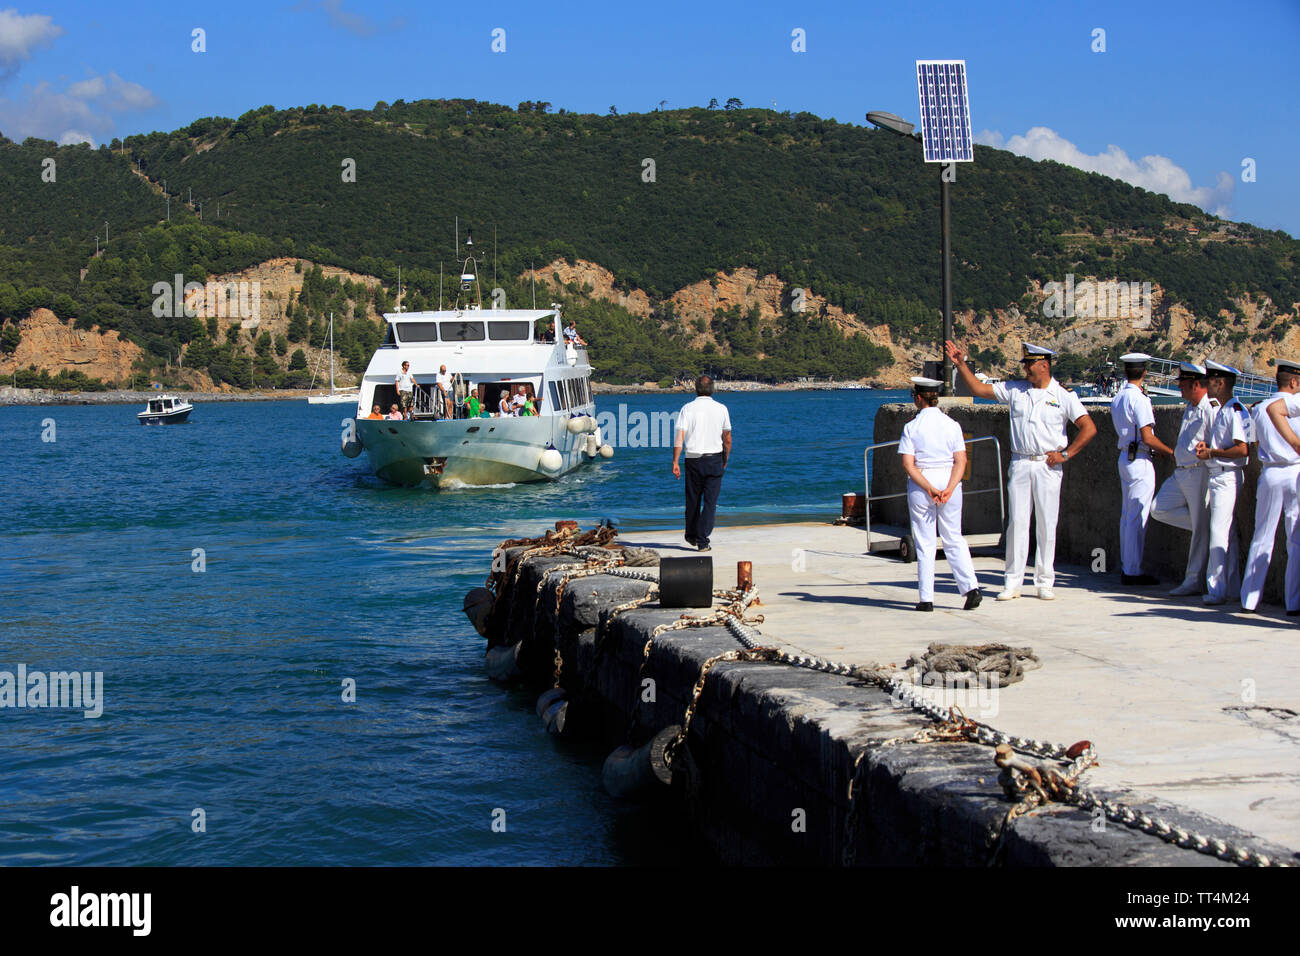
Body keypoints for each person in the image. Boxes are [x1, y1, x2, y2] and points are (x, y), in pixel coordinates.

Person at [945, 340, 1096, 600]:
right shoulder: (1016, 390)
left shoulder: (1063, 395)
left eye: (1030, 364)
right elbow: (980, 390)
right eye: (1025, 364)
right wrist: (960, 365)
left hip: (1047, 465)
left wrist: (1066, 454)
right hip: (1021, 462)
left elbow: (1089, 428)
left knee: (1047, 524)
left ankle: (1045, 581)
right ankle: (1012, 582)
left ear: (1044, 365)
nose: (1026, 368)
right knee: (1017, 522)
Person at [898, 375, 981, 612]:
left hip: (923, 480)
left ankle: (927, 598)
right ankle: (971, 588)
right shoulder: (952, 425)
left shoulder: (911, 426)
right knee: (953, 536)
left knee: (925, 541)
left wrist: (929, 488)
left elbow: (908, 464)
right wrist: (950, 487)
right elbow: (961, 460)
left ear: (918, 398)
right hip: (949, 479)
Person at [1241, 359, 1300, 614]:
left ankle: (1249, 600)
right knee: (1294, 540)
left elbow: (1255, 445)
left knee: (1262, 536)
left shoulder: (1258, 408)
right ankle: (1293, 603)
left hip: (1270, 471)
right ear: (1295, 382)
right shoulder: (1296, 407)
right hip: (1295, 469)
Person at [1151, 363, 1216, 596]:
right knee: (1158, 509)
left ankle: (1193, 580)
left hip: (1199, 471)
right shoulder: (1190, 407)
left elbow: (1216, 443)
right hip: (1181, 471)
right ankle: (1207, 528)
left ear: (1196, 385)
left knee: (1199, 529)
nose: (1178, 386)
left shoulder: (1211, 408)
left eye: (1183, 383)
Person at [1110, 353, 1174, 585]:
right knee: (1138, 516)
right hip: (1140, 460)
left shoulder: (1118, 398)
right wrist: (1170, 452)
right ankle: (1133, 570)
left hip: (1125, 457)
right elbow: (1148, 436)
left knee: (1127, 516)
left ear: (1126, 372)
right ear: (1144, 372)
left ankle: (1128, 566)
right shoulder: (1140, 400)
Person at [1195, 360, 1252, 605]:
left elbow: (1242, 449)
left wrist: (1213, 453)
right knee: (1227, 533)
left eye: (1210, 381)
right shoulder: (1224, 409)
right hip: (1219, 474)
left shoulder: (1235, 410)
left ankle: (1216, 589)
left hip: (1226, 475)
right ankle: (1231, 588)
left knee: (1218, 532)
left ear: (1220, 382)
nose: (1207, 385)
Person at [671, 375, 732, 552]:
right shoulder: (721, 409)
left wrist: (675, 461)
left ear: (696, 388)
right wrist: (725, 458)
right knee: (710, 502)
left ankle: (691, 534)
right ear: (712, 389)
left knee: (693, 500)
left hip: (693, 459)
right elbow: (727, 438)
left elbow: (679, 438)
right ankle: (702, 540)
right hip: (714, 459)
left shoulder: (687, 409)